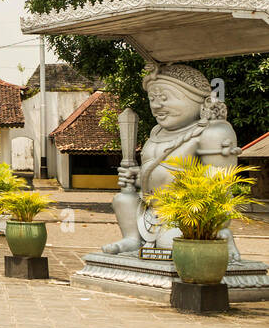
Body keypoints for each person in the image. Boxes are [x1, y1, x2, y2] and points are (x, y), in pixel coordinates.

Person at [104, 61, 243, 258]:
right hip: (150, 211)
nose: (157, 105)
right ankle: (133, 239)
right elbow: (155, 172)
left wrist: (216, 224)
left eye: (165, 98)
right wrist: (136, 177)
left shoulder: (214, 132)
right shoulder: (157, 131)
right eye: (152, 99)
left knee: (169, 243)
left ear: (200, 101)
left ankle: (218, 240)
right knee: (123, 199)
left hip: (187, 215)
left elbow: (219, 187)